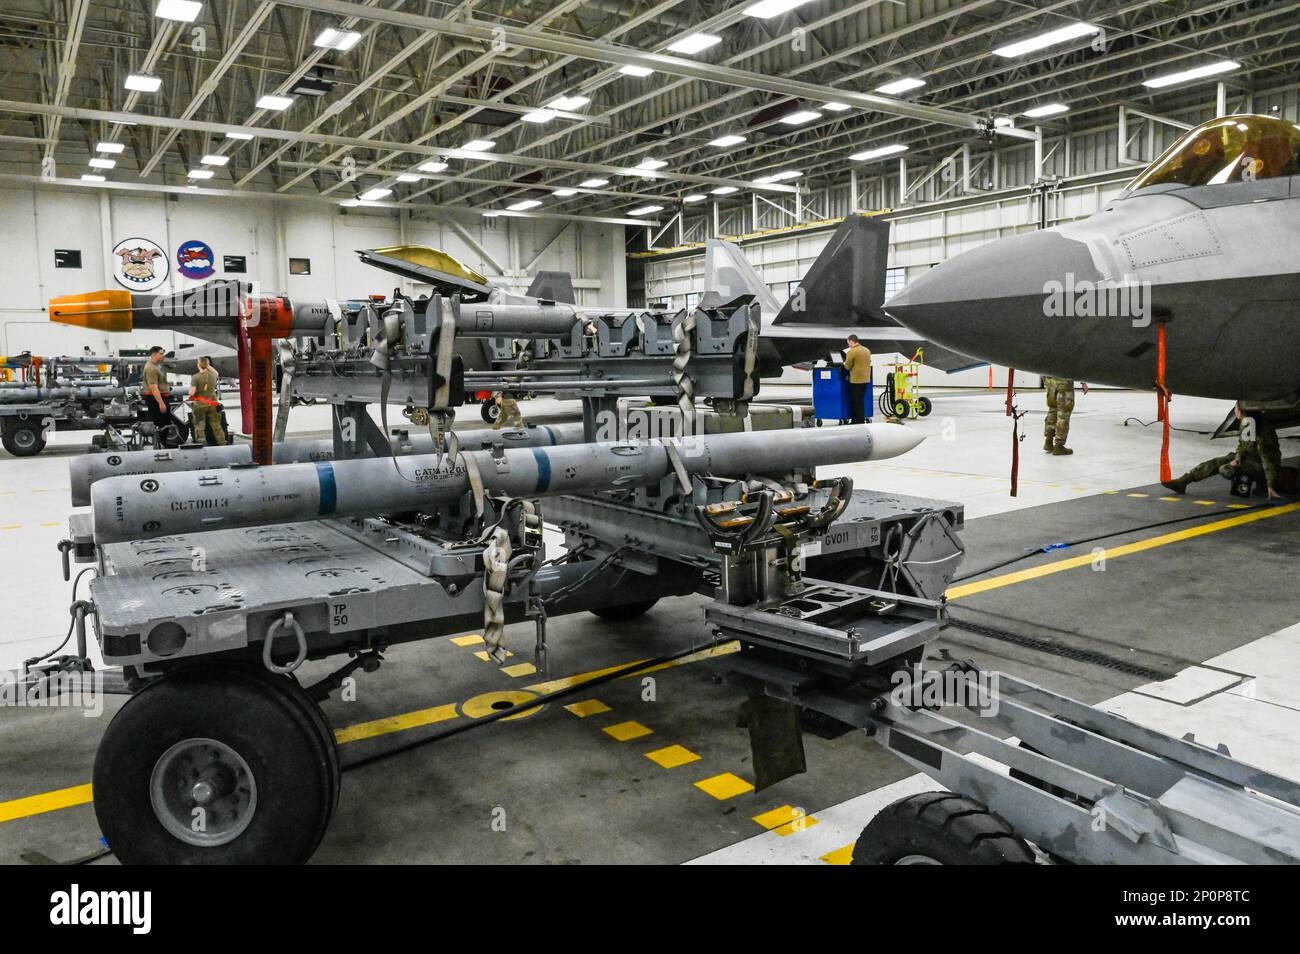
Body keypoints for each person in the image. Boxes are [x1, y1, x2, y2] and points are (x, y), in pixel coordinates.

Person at [1163, 402, 1283, 500]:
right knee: (1216, 462)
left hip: (1261, 466)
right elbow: (1244, 447)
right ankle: (1183, 481)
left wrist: (1271, 485)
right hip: (1252, 460)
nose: (1235, 410)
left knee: (1225, 469)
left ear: (1241, 411)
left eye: (1236, 407)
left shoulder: (1258, 429)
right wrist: (1238, 458)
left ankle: (1262, 482)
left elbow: (1267, 459)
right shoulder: (1249, 423)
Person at [187, 355, 226, 445]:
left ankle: (202, 443)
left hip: (200, 404)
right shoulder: (213, 375)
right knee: (216, 425)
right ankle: (222, 442)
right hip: (212, 403)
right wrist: (207, 364)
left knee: (200, 425)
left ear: (198, 364)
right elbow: (216, 372)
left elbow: (191, 393)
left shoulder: (195, 377)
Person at [1043, 376, 1086, 456]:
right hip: (1063, 382)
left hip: (1050, 380)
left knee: (1052, 410)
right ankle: (1059, 446)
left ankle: (1048, 441)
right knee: (1063, 414)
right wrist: (1083, 381)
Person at [842, 335, 872, 425]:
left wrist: (843, 364)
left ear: (851, 341)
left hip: (856, 380)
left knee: (856, 401)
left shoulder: (852, 352)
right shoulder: (867, 350)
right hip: (866, 379)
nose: (849, 346)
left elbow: (847, 366)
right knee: (860, 400)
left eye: (848, 343)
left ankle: (856, 421)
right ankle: (861, 419)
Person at [142, 346, 172, 432]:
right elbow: (153, 388)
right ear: (154, 354)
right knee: (161, 424)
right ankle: (161, 444)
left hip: (160, 397)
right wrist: (161, 403)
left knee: (164, 423)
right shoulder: (151, 368)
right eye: (161, 354)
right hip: (156, 399)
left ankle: (162, 443)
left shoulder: (156, 366)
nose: (163, 356)